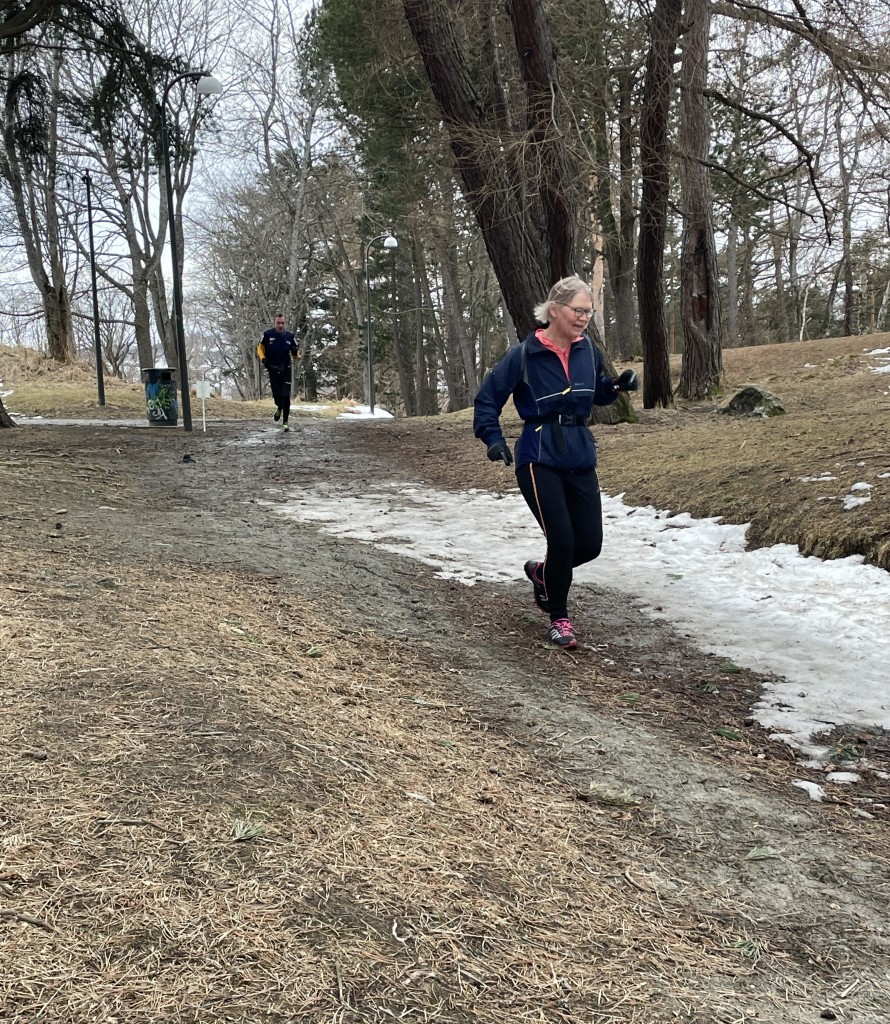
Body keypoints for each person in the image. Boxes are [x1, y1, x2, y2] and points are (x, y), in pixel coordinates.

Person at [473, 275, 639, 650]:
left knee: (590, 544)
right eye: (578, 310)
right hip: (538, 455)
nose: (584, 318)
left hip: (579, 451)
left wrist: (616, 387)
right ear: (554, 310)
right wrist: (493, 439)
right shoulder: (524, 355)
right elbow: (487, 399)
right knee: (562, 539)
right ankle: (560, 618)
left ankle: (542, 572)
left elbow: (596, 392)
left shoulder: (588, 351)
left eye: (588, 311)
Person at [257, 314, 299, 431]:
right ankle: (279, 407)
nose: (280, 325)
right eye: (278, 323)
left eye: (282, 323)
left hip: (286, 368)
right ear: (274, 323)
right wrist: (263, 359)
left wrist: (295, 353)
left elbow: (296, 355)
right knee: (277, 396)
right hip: (272, 368)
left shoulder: (290, 336)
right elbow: (259, 348)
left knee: (285, 395)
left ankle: (285, 422)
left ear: (285, 323)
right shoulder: (267, 335)